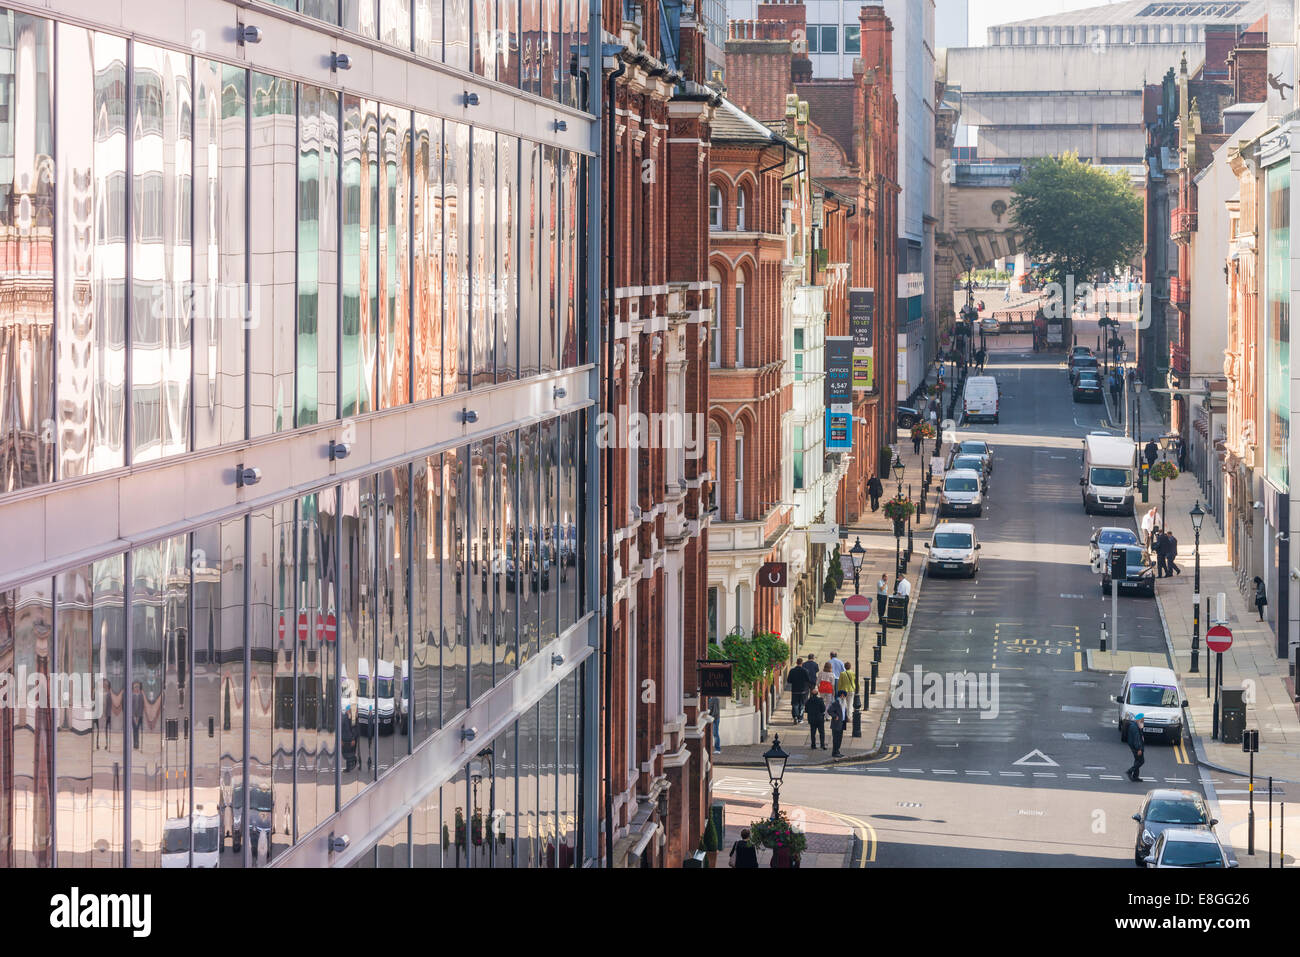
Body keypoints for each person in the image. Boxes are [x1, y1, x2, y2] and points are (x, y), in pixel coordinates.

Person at [787, 658, 811, 723]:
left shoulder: (792, 671)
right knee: (802, 704)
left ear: (796, 663)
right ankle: (800, 718)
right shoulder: (805, 671)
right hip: (803, 690)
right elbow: (808, 680)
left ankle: (795, 716)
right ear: (802, 663)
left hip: (795, 690)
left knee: (795, 704)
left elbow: (789, 680)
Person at [1125, 714, 1146, 782]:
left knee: (1137, 760)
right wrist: (1139, 749)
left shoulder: (1136, 725)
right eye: (1142, 719)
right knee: (1141, 761)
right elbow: (1136, 739)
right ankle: (1129, 771)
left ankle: (1135, 776)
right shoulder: (1134, 727)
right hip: (1136, 747)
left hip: (1136, 746)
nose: (1143, 721)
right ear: (1139, 719)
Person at [828, 691, 849, 758]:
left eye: (844, 696)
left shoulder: (844, 703)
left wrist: (846, 718)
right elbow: (829, 710)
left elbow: (843, 712)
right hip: (836, 724)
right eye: (841, 696)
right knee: (836, 739)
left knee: (840, 738)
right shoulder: (836, 703)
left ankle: (837, 751)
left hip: (842, 723)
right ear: (839, 696)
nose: (843, 697)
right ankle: (835, 752)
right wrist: (835, 716)